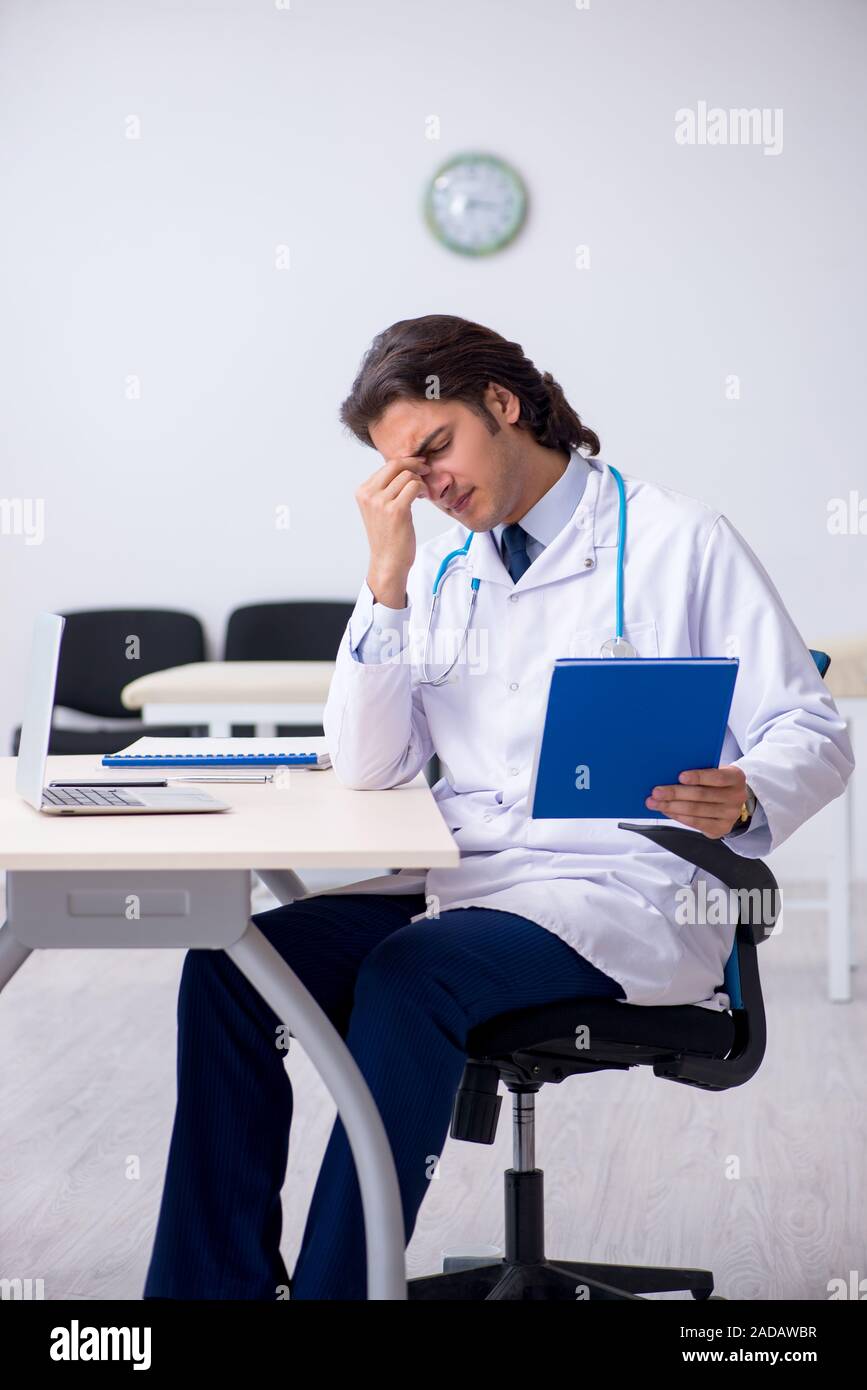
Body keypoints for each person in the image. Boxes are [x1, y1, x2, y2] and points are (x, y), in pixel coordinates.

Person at [143, 314, 854, 1301]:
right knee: (231, 965)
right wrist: (382, 582)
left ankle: (339, 1295)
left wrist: (746, 794)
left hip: (624, 896)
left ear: (504, 405)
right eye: (405, 471)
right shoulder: (438, 570)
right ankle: (205, 1294)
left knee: (409, 973)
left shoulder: (677, 540)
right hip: (467, 883)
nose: (430, 483)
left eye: (436, 448)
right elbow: (368, 763)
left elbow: (813, 733)